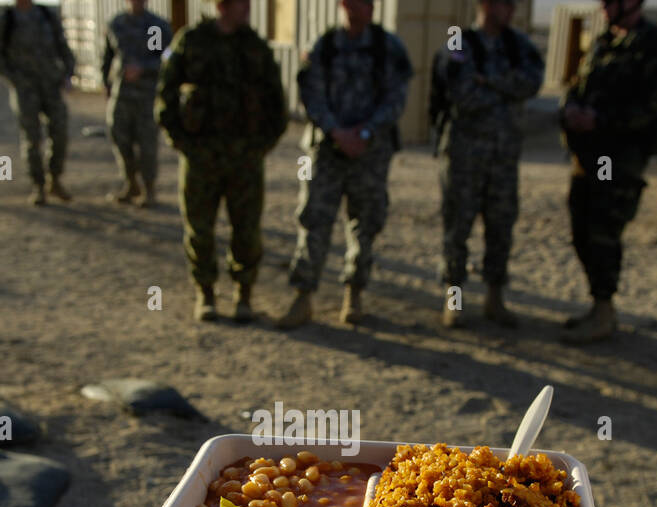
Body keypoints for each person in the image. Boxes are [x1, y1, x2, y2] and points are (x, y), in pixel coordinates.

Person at [277, 0, 412, 328]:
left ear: (372, 8)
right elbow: (310, 94)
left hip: (371, 151)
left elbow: (397, 98)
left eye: (362, 3)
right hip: (327, 150)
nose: (355, 9)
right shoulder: (324, 47)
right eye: (349, 3)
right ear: (341, 6)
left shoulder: (388, 48)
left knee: (365, 224)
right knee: (313, 219)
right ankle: (303, 296)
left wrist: (364, 132)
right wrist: (337, 132)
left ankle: (354, 294)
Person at [156, 0, 287, 322]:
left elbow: (276, 104)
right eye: (242, 3)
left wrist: (260, 147)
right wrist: (183, 143)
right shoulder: (191, 41)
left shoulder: (255, 46)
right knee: (199, 228)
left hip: (246, 159)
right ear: (222, 5)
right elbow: (166, 95)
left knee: (247, 230)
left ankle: (244, 295)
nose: (248, 9)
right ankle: (206, 292)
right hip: (201, 158)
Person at [558, 0, 657, 344]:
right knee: (581, 229)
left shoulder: (652, 46)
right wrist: (571, 110)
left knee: (604, 232)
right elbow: (579, 84)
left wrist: (601, 120)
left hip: (618, 159)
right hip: (587, 155)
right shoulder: (603, 41)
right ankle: (598, 306)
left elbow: (650, 104)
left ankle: (604, 311)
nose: (603, 7)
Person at [430, 0, 543, 328]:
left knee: (501, 227)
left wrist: (488, 81)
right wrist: (506, 88)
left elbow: (532, 82)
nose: (509, 9)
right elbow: (462, 94)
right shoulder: (458, 43)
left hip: (504, 157)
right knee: (456, 228)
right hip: (464, 156)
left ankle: (495, 299)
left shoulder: (519, 45)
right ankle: (455, 299)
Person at [0, 0, 77, 206]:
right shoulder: (5, 18)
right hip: (24, 89)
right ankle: (39, 185)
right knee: (32, 137)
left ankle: (55, 179)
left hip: (51, 85)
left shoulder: (46, 14)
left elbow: (62, 44)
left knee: (60, 131)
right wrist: (11, 77)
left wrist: (68, 72)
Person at [101, 0, 172, 207]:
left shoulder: (155, 26)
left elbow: (165, 57)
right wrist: (106, 83)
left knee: (147, 143)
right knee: (120, 139)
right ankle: (131, 183)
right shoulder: (116, 24)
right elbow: (107, 56)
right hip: (121, 94)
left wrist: (143, 67)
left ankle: (149, 189)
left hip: (147, 95)